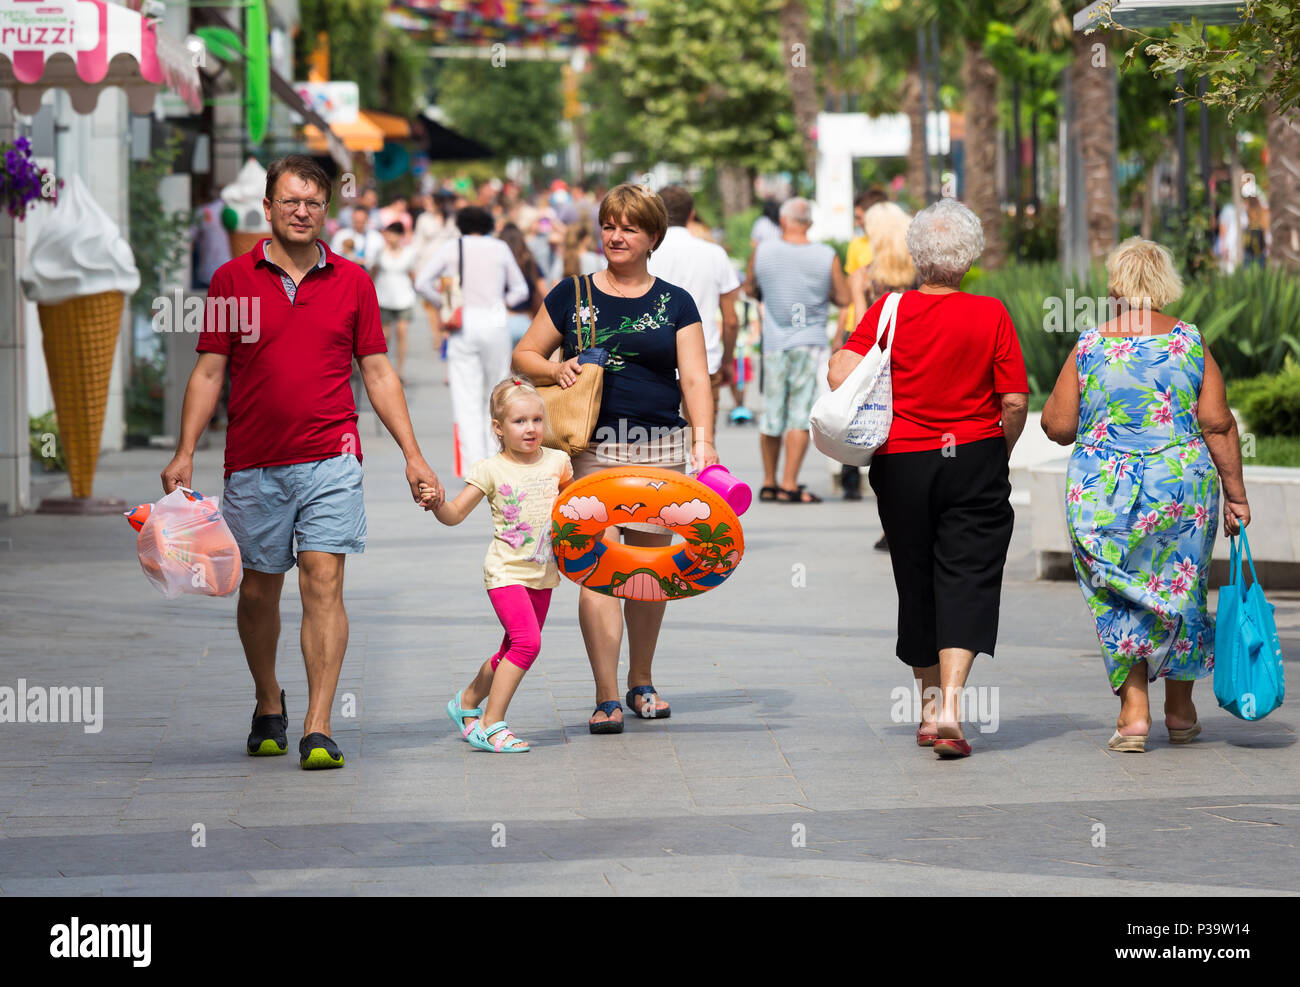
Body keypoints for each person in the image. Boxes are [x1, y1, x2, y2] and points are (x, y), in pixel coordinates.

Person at [162, 155, 443, 770]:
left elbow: (376, 370)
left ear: (326, 210)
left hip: (333, 456)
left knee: (324, 579)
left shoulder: (353, 281)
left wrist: (414, 455)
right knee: (260, 591)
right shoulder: (233, 280)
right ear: (268, 209)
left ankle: (319, 725)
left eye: (312, 202)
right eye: (289, 201)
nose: (300, 211)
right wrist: (185, 451)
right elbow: (210, 368)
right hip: (254, 461)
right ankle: (269, 701)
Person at [512, 183, 718, 733]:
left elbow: (694, 377)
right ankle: (605, 692)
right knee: (598, 569)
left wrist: (705, 442)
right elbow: (525, 353)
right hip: (594, 449)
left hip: (662, 449)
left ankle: (641, 679)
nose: (616, 235)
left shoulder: (676, 301)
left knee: (650, 567)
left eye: (629, 227)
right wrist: (556, 369)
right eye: (609, 224)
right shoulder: (573, 293)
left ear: (653, 236)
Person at [827, 198, 1029, 758]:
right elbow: (1013, 400)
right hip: (974, 458)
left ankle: (925, 710)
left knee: (914, 576)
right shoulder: (990, 314)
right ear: (970, 259)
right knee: (967, 575)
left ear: (918, 255)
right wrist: (999, 451)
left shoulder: (889, 309)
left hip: (903, 461)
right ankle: (954, 708)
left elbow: (840, 370)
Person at [1041, 237, 1250, 753]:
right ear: (1163, 285)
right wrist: (1237, 496)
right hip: (1180, 488)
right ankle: (1180, 712)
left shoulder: (1091, 345)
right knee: (1182, 590)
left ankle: (1134, 713)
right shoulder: (1189, 342)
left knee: (1116, 592)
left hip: (1102, 494)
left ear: (1116, 285)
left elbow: (1058, 425)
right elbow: (1218, 424)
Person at [424, 377, 573, 753]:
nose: (531, 428)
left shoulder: (559, 462)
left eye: (537, 420)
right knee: (527, 643)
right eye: (520, 421)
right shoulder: (490, 469)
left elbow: (576, 510)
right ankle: (491, 724)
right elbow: (455, 514)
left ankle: (466, 703)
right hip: (505, 573)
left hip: (542, 574)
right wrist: (437, 502)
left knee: (510, 649)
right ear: (499, 428)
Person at [747, 197, 850, 503]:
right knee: (798, 414)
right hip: (810, 341)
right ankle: (789, 483)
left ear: (783, 220)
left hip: (776, 342)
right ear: (810, 224)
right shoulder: (826, 255)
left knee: (772, 412)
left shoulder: (762, 251)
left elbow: (751, 287)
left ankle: (768, 481)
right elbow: (843, 296)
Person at [415, 206, 530, 476]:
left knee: (465, 395)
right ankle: (496, 456)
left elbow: (422, 282)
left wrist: (446, 304)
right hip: (495, 322)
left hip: (462, 324)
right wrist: (502, 303)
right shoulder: (500, 249)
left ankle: (473, 467)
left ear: (461, 225)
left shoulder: (450, 248)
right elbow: (520, 289)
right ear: (490, 223)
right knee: (496, 392)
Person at [840, 201, 920, 510]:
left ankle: (894, 520)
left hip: (881, 367)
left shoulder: (865, 276)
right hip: (915, 359)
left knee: (884, 441)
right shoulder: (919, 271)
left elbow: (864, 328)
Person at [649, 186, 741, 432]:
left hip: (656, 364)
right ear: (691, 215)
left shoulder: (647, 253)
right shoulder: (715, 254)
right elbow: (731, 319)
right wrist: (728, 359)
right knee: (702, 446)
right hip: (705, 360)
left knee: (656, 447)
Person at [373, 222, 417, 382]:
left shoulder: (408, 253)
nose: (390, 237)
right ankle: (385, 370)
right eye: (389, 233)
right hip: (384, 296)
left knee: (402, 331)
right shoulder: (380, 253)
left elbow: (413, 274)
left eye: (393, 234)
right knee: (385, 336)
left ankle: (400, 371)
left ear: (400, 236)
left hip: (404, 297)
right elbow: (373, 272)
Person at [498, 222, 547, 345]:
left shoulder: (498, 266)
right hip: (525, 322)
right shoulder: (530, 264)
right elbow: (545, 295)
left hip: (500, 322)